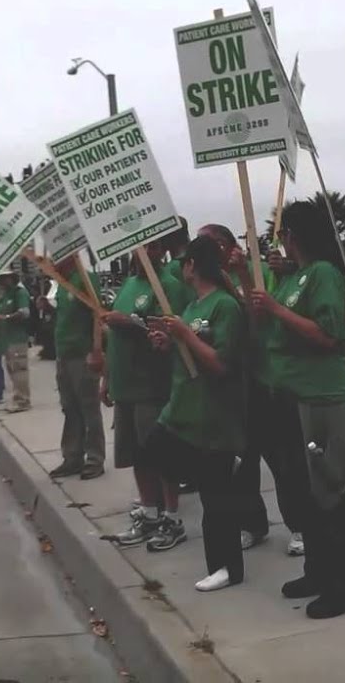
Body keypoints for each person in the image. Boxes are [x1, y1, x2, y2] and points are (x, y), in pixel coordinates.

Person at [248, 198, 345, 619]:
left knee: (328, 490)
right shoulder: (295, 277)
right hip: (291, 398)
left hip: (320, 400)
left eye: (282, 231)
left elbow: (330, 334)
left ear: (295, 235)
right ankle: (318, 570)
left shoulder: (325, 275)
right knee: (304, 493)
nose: (279, 239)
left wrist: (277, 309)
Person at [147, 234, 247, 592]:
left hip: (214, 415)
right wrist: (167, 343)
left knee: (215, 497)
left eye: (184, 262)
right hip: (184, 412)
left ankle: (226, 566)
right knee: (153, 452)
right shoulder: (190, 307)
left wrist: (185, 337)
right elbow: (187, 356)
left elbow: (221, 364)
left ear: (193, 265)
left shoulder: (225, 307)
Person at [199, 224, 306, 558]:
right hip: (237, 387)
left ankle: (300, 525)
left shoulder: (264, 272)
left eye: (214, 243)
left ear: (231, 245)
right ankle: (253, 524)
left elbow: (255, 315)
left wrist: (243, 273)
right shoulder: (208, 281)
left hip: (268, 381)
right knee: (243, 464)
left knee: (283, 461)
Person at [99, 240, 190, 551]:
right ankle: (149, 513)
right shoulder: (129, 285)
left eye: (149, 247)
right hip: (125, 386)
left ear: (160, 251)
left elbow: (173, 333)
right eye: (137, 248)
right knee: (136, 454)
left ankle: (172, 518)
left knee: (160, 455)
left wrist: (131, 323)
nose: (142, 254)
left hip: (153, 386)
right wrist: (107, 378)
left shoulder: (169, 287)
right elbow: (113, 336)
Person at [47, 256, 106, 480]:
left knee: (89, 409)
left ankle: (94, 459)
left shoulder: (85, 280)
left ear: (70, 258)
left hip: (82, 356)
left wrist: (97, 350)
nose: (52, 262)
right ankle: (72, 457)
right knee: (69, 408)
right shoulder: (62, 285)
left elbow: (96, 314)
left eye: (56, 257)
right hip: (64, 356)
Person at [0, 271, 32, 413]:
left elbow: (24, 312)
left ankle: (23, 401)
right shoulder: (6, 294)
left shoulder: (20, 293)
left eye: (2, 278)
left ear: (10, 278)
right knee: (12, 370)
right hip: (8, 340)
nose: (0, 281)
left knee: (19, 370)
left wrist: (6, 317)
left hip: (18, 339)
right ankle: (17, 398)